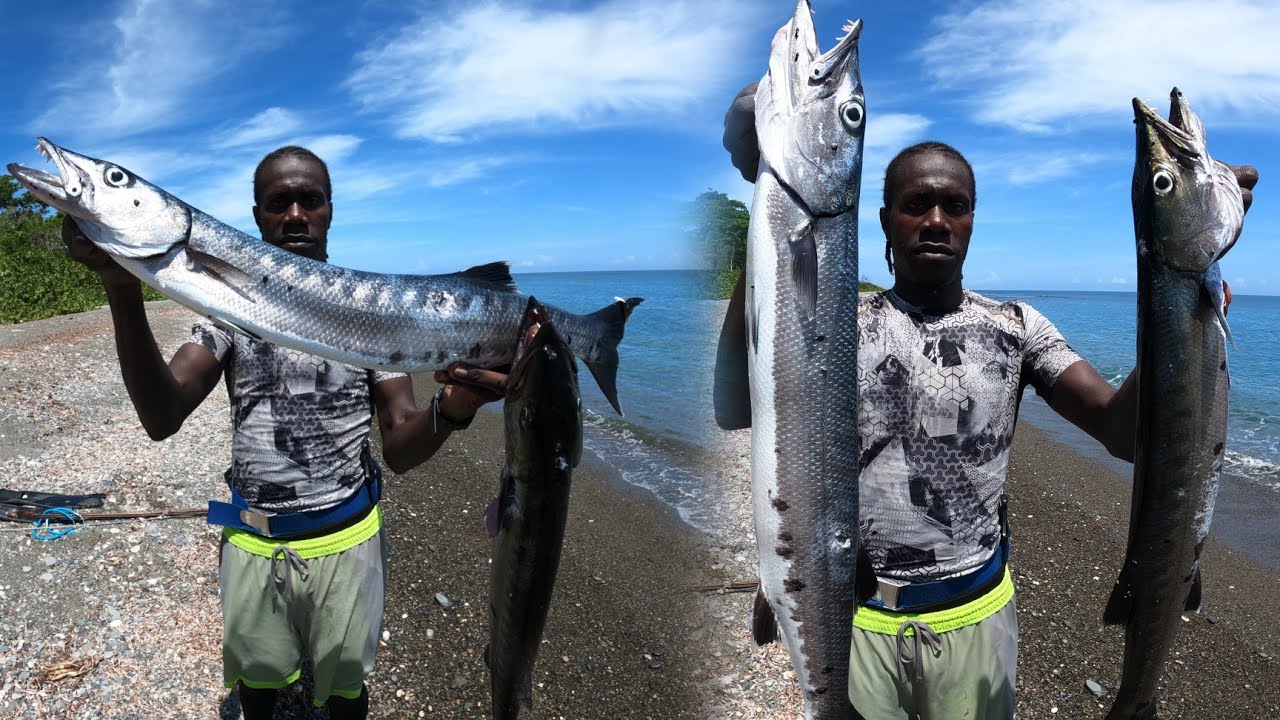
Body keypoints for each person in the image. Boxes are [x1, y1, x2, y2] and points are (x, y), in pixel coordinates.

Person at [714, 83, 1257, 720]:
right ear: (886, 219)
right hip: (852, 619)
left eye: (955, 205)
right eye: (916, 205)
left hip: (978, 618)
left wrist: (1182, 328)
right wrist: (770, 201)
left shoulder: (1017, 327)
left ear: (973, 220)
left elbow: (1121, 432)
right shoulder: (836, 325)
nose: (937, 221)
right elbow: (734, 406)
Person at [62, 146, 508, 720]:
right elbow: (162, 414)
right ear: (257, 215)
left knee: (347, 687)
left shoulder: (373, 317)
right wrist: (121, 288)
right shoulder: (226, 311)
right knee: (260, 682)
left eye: (309, 201)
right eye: (278, 203)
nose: (295, 215)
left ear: (329, 211)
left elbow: (399, 444)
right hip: (253, 541)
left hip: (349, 540)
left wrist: (456, 405)